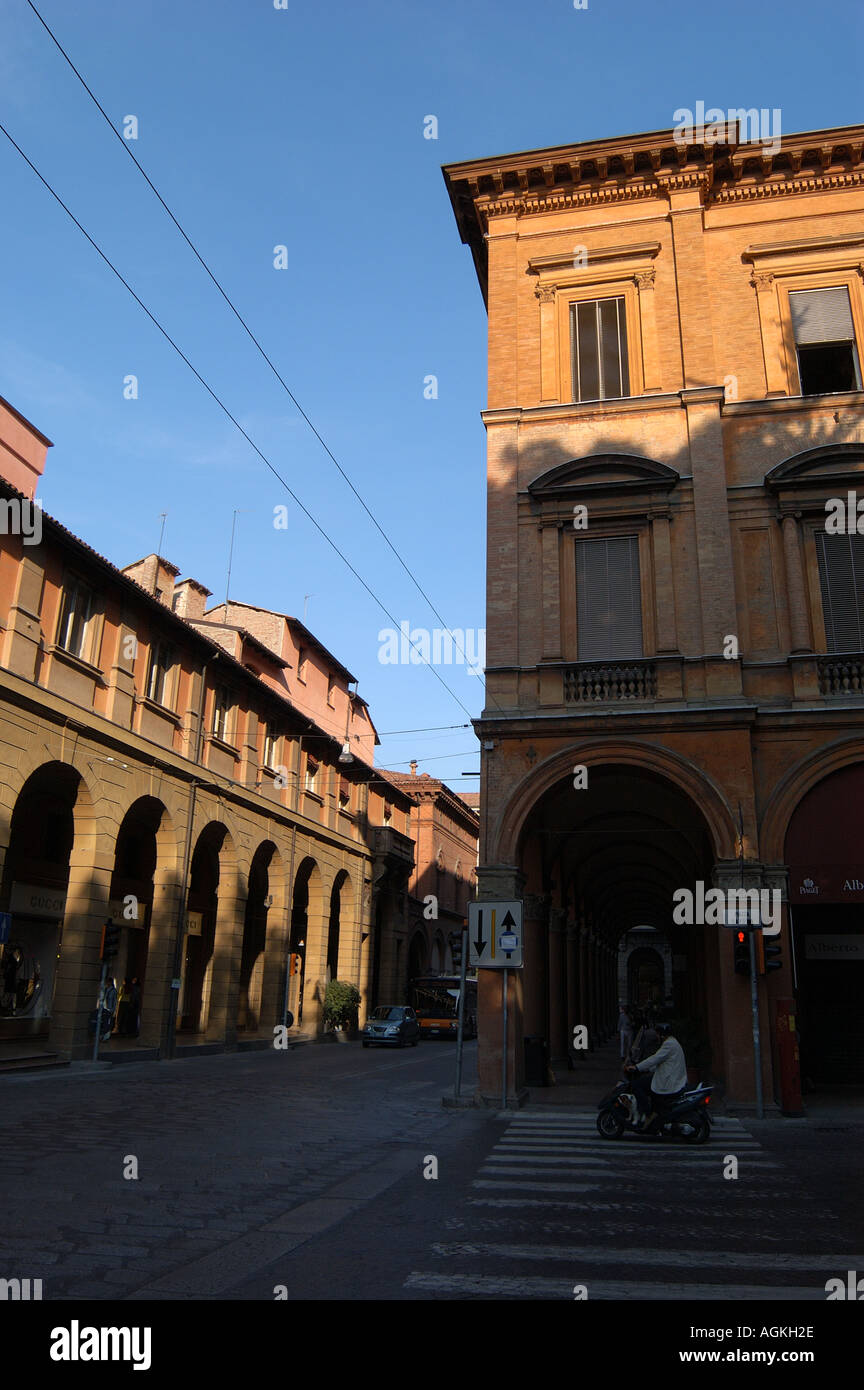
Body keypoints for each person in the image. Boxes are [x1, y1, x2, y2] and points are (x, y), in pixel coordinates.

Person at [625, 1020, 687, 1133]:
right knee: (647, 1083)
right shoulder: (673, 1043)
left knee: (636, 1085)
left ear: (662, 1034)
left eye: (658, 1034)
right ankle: (654, 1113)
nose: (657, 1036)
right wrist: (648, 1069)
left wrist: (637, 1067)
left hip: (669, 1080)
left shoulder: (669, 1044)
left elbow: (655, 1058)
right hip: (671, 1076)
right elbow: (662, 1062)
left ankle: (648, 1114)